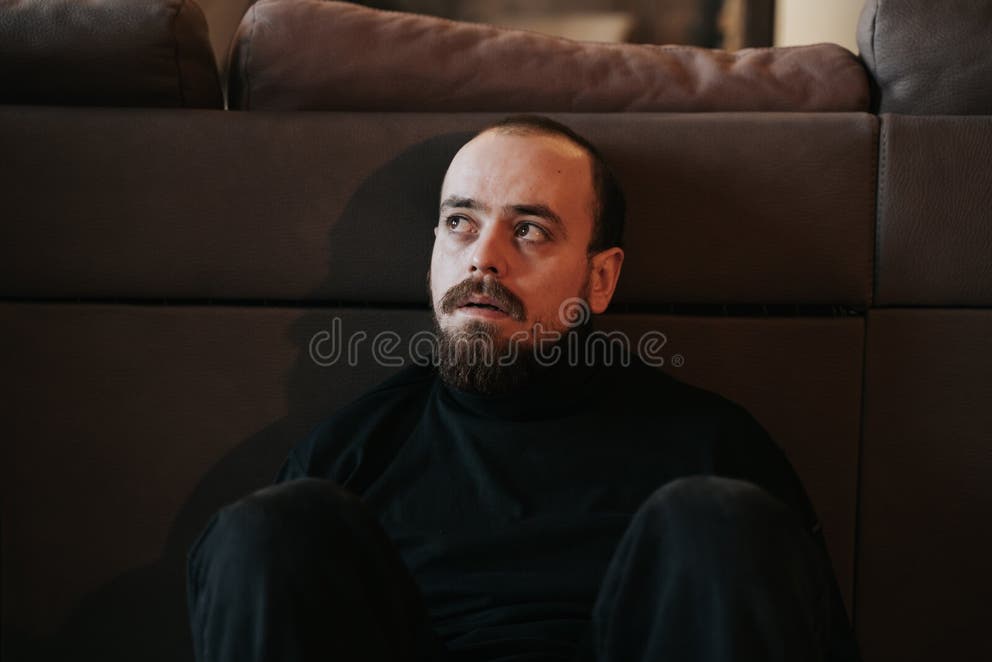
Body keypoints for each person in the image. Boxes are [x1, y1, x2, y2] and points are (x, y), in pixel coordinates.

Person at [186, 115, 861, 662]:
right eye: (460, 222)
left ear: (600, 279)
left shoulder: (714, 446)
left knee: (721, 520)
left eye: (529, 230)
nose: (483, 256)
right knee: (266, 528)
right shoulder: (349, 455)